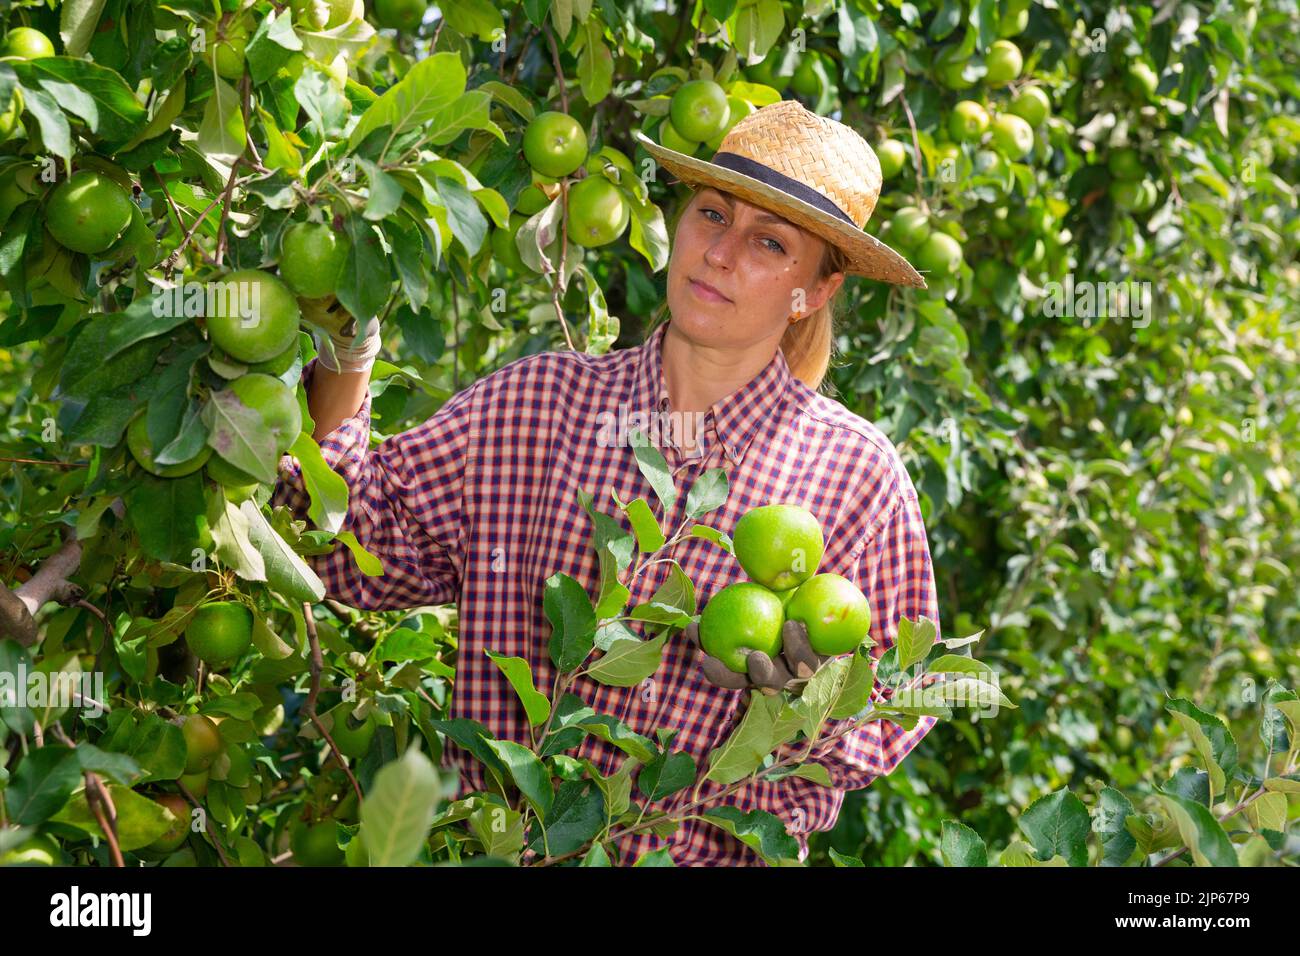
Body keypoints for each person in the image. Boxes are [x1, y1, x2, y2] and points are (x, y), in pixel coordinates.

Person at [272, 99, 942, 865]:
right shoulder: (537, 404)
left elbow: (895, 711)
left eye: (768, 241)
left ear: (813, 293)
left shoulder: (854, 475)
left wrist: (808, 697)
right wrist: (345, 339)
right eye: (712, 214)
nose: (720, 253)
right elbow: (346, 540)